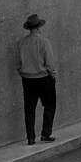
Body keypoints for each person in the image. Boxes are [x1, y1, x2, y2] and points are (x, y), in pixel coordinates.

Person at [16, 13, 58, 145]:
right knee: (50, 105)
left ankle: (30, 137)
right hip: (43, 78)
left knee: (29, 108)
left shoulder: (21, 43)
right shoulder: (44, 42)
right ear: (39, 27)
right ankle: (45, 134)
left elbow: (18, 64)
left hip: (27, 80)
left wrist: (23, 73)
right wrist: (53, 75)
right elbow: (50, 63)